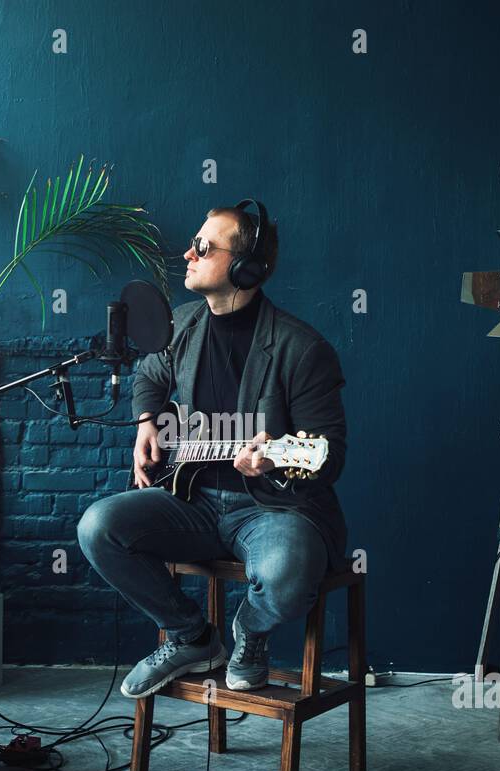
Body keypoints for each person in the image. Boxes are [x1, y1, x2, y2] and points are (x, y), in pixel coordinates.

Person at [77, 200, 347, 697]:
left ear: (245, 268)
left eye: (203, 246)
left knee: (287, 571)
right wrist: (145, 424)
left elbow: (327, 453)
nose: (188, 253)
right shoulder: (182, 326)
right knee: (98, 526)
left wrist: (274, 457)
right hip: (193, 501)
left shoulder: (302, 349)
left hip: (271, 509)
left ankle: (251, 632)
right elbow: (150, 374)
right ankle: (192, 637)